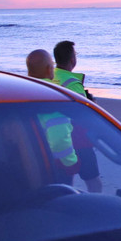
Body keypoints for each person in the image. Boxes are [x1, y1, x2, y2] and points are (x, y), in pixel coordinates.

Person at [52, 40, 102, 193]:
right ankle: (95, 205)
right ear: (72, 59)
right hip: (78, 140)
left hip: (54, 138)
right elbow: (83, 115)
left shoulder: (50, 77)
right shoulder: (72, 83)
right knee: (93, 182)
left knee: (65, 182)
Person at [26, 49, 78, 183]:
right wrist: (70, 162)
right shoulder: (53, 95)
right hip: (52, 165)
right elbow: (59, 138)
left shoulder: (20, 91)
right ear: (49, 69)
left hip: (25, 162)